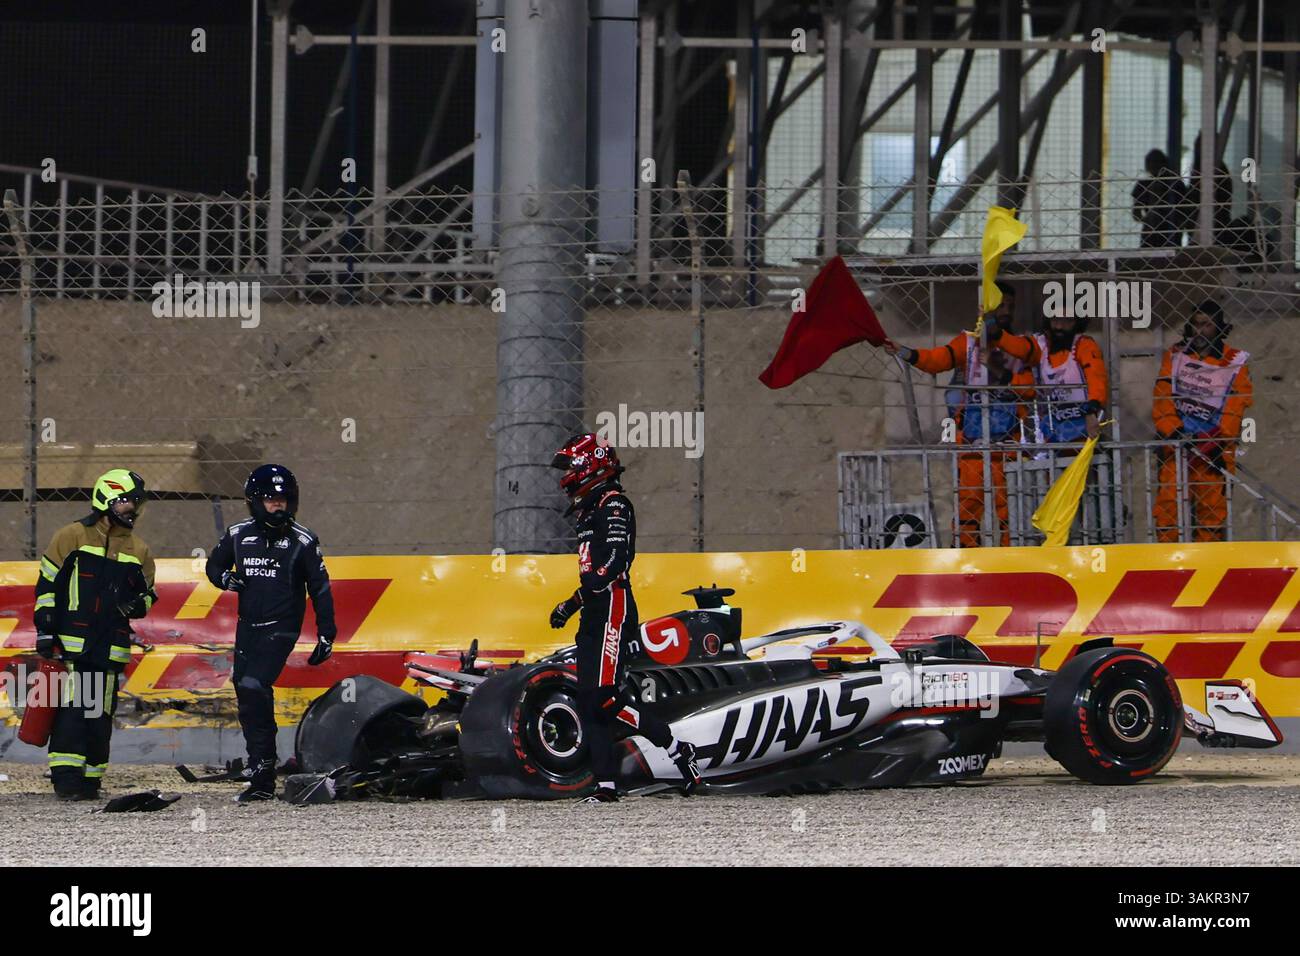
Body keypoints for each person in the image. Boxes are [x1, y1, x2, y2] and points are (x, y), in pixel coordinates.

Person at [548, 433, 702, 802]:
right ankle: (605, 787)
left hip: (613, 610)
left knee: (604, 699)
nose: (566, 475)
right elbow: (594, 574)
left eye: (571, 466)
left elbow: (617, 561)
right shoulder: (589, 510)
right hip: (595, 612)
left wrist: (591, 591)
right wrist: (571, 605)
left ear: (590, 466)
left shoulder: (614, 503)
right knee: (589, 700)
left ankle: (678, 748)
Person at [205, 464, 336, 803]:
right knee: (246, 694)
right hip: (246, 627)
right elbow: (213, 566)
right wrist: (225, 580)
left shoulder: (303, 541)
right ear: (254, 502)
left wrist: (327, 634)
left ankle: (263, 769)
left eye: (284, 500)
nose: (279, 506)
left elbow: (320, 588)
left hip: (282, 627)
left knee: (254, 685)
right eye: (271, 500)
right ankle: (259, 769)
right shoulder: (237, 535)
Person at [33, 469, 155, 800]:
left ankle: (91, 780)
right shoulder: (71, 537)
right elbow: (47, 586)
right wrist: (45, 630)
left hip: (111, 649)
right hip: (73, 646)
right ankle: (67, 781)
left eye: (135, 501)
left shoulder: (138, 550)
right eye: (126, 501)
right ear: (107, 500)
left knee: (100, 715)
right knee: (74, 712)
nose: (133, 508)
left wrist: (137, 603)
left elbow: (149, 595)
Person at [884, 282, 1032, 547]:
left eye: (1011, 306)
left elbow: (1032, 389)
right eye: (1000, 305)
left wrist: (1004, 373)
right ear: (983, 308)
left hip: (1011, 440)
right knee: (969, 501)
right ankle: (966, 556)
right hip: (973, 440)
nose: (1006, 311)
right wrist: (904, 352)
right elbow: (937, 359)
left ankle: (1014, 557)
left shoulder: (1022, 347)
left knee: (1011, 503)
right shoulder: (968, 343)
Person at [1152, 300, 1253, 542]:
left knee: (1212, 511)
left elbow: (1236, 406)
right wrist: (1174, 431)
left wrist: (1216, 439)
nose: (1200, 331)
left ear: (1219, 328)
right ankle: (1167, 558)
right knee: (1168, 506)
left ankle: (1208, 561)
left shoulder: (1235, 361)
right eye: (1196, 324)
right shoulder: (1176, 355)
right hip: (1177, 445)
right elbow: (1162, 396)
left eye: (1207, 325)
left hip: (1214, 449)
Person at [1000, 313, 1107, 445]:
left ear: (1077, 322)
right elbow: (1020, 347)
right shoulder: (1042, 346)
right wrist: (998, 336)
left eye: (1067, 320)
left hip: (1085, 435)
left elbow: (1096, 377)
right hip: (1053, 436)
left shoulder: (1083, 345)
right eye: (1055, 320)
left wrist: (1092, 411)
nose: (1059, 326)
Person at [1132, 149, 1189, 248]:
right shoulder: (1175, 183)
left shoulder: (1174, 184)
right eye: (1152, 162)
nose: (1154, 166)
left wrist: (1149, 219)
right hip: (1167, 231)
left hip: (1160, 231)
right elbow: (1136, 214)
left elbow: (1136, 214)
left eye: (1157, 162)